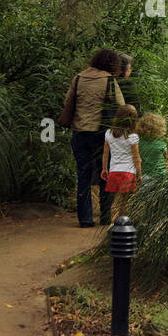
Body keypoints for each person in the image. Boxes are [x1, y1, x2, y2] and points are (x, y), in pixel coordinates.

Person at [64, 49, 125, 227]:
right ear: (111, 63)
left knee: (83, 174)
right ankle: (105, 216)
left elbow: (67, 101)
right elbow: (121, 107)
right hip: (101, 135)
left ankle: (85, 219)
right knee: (105, 173)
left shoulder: (78, 78)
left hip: (79, 133)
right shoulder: (109, 81)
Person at [101, 105, 141, 214]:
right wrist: (139, 173)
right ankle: (123, 226)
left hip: (114, 172)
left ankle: (114, 225)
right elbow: (136, 157)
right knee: (125, 202)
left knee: (115, 202)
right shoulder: (132, 137)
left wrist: (104, 169)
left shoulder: (109, 134)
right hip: (128, 173)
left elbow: (105, 154)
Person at [135, 112, 168, 184]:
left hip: (145, 175)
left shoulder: (138, 143)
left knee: (144, 194)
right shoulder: (161, 143)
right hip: (160, 175)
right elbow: (166, 157)